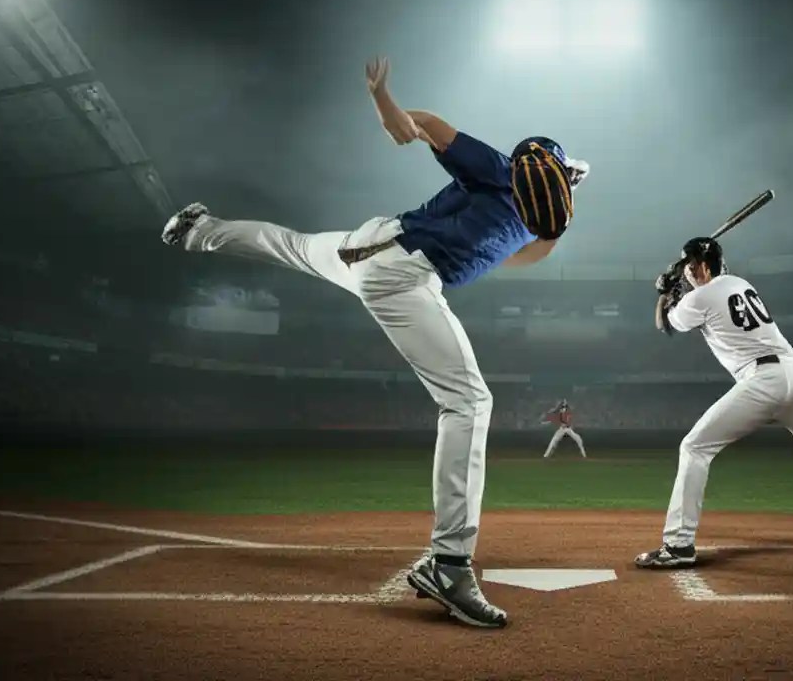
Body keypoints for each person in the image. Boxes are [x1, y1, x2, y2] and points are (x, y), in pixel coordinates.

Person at [160, 56, 589, 627]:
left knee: (288, 244)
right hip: (402, 271)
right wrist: (383, 98)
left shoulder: (533, 217)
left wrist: (560, 217)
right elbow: (415, 127)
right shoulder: (497, 167)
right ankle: (450, 564)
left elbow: (532, 252)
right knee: (470, 402)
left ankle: (198, 232)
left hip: (365, 248)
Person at [634, 238, 793, 569]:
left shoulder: (702, 294)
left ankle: (679, 544)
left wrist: (664, 291)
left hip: (763, 379)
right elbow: (701, 306)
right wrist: (678, 289)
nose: (690, 274)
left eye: (692, 268)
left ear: (702, 267)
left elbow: (666, 325)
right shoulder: (740, 284)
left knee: (695, 448)